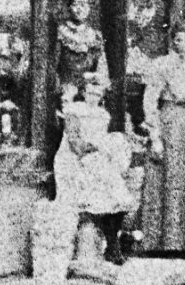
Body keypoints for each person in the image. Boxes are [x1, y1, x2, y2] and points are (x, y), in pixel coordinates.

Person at [136, 22, 185, 256]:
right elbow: (150, 100)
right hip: (169, 120)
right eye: (179, 39)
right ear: (173, 41)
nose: (184, 44)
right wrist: (155, 135)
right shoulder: (162, 65)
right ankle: (161, 242)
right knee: (166, 175)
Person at [52, 66, 137, 267]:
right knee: (102, 186)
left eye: (98, 94)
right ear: (84, 92)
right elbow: (74, 141)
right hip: (74, 158)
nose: (94, 97)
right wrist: (93, 150)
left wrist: (108, 150)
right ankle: (110, 246)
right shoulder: (74, 111)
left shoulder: (102, 114)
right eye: (90, 93)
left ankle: (112, 243)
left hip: (96, 157)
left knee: (117, 191)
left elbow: (102, 139)